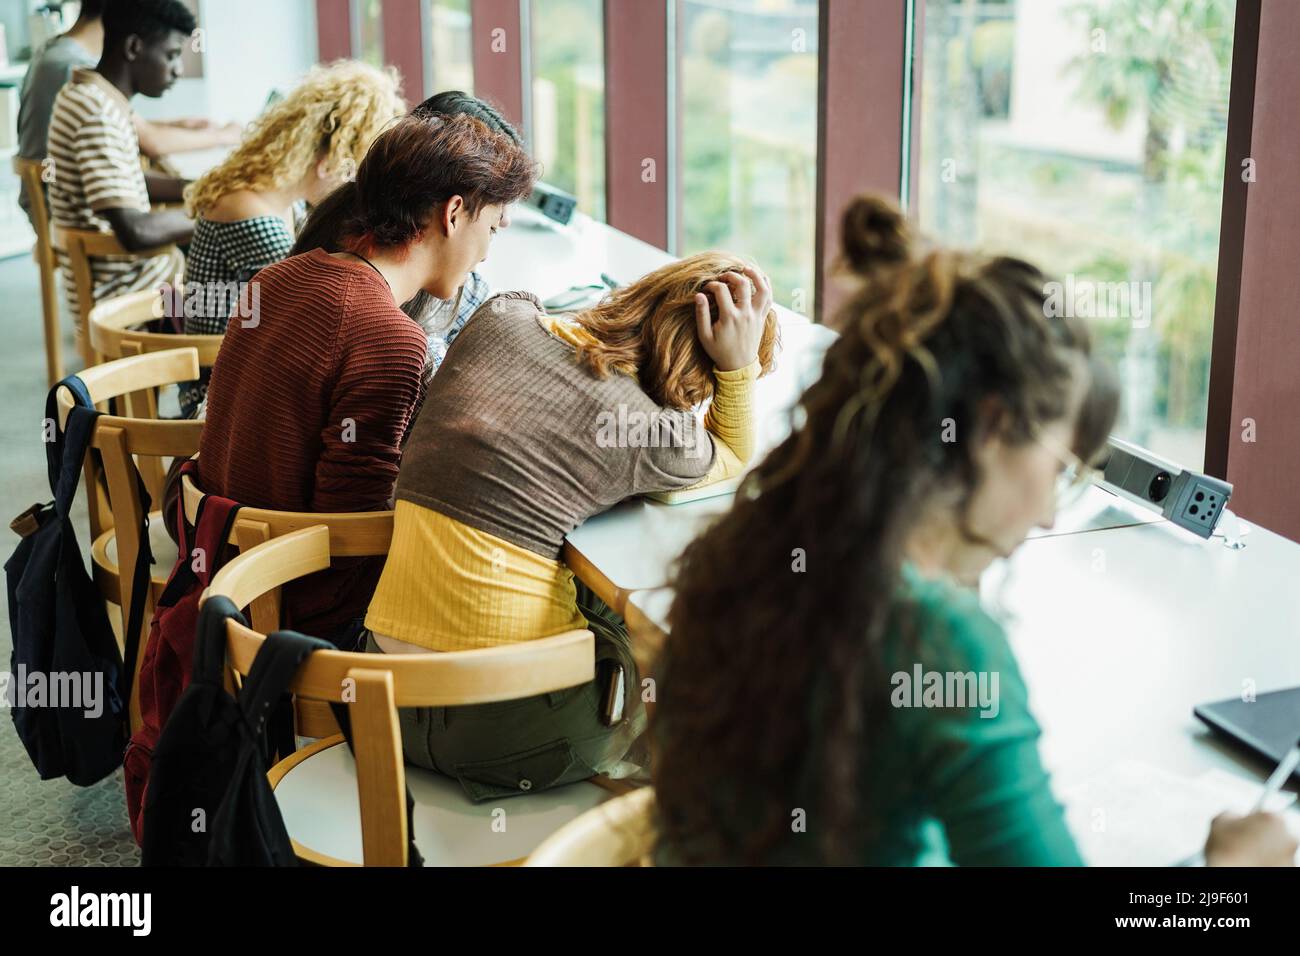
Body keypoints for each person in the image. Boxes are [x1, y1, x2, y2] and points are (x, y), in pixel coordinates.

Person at [650, 195, 1299, 868]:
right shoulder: (936, 636)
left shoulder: (752, 547)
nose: (1049, 513)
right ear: (989, 430)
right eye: (1059, 467)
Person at [360, 254, 780, 801]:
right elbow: (732, 454)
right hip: (498, 730)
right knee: (685, 671)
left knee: (591, 595)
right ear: (699, 375)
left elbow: (571, 355)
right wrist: (738, 367)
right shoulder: (648, 429)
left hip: (378, 698)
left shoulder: (500, 319)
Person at [194, 113, 536, 646]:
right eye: (490, 228)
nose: (487, 252)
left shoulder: (278, 278)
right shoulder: (389, 337)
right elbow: (354, 536)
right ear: (453, 214)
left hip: (222, 570)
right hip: (296, 616)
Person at [175, 60, 405, 414]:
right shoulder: (250, 215)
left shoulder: (279, 201)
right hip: (216, 400)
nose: (353, 193)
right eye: (354, 172)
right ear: (332, 159)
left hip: (242, 376)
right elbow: (310, 310)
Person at [290, 90, 523, 376]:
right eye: (494, 201)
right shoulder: (395, 340)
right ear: (453, 210)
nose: (504, 221)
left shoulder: (287, 274)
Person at [45, 0, 199, 355]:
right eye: (172, 55)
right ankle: (210, 402)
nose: (177, 70)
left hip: (135, 279)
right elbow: (136, 231)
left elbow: (128, 181)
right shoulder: (96, 114)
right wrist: (217, 214)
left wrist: (201, 189)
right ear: (133, 47)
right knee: (254, 304)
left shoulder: (91, 94)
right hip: (133, 296)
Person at [18, 0, 239, 225]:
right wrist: (224, 136)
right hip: (64, 214)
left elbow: (127, 130)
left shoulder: (57, 51)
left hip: (72, 199)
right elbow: (150, 141)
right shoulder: (76, 70)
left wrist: (180, 128)